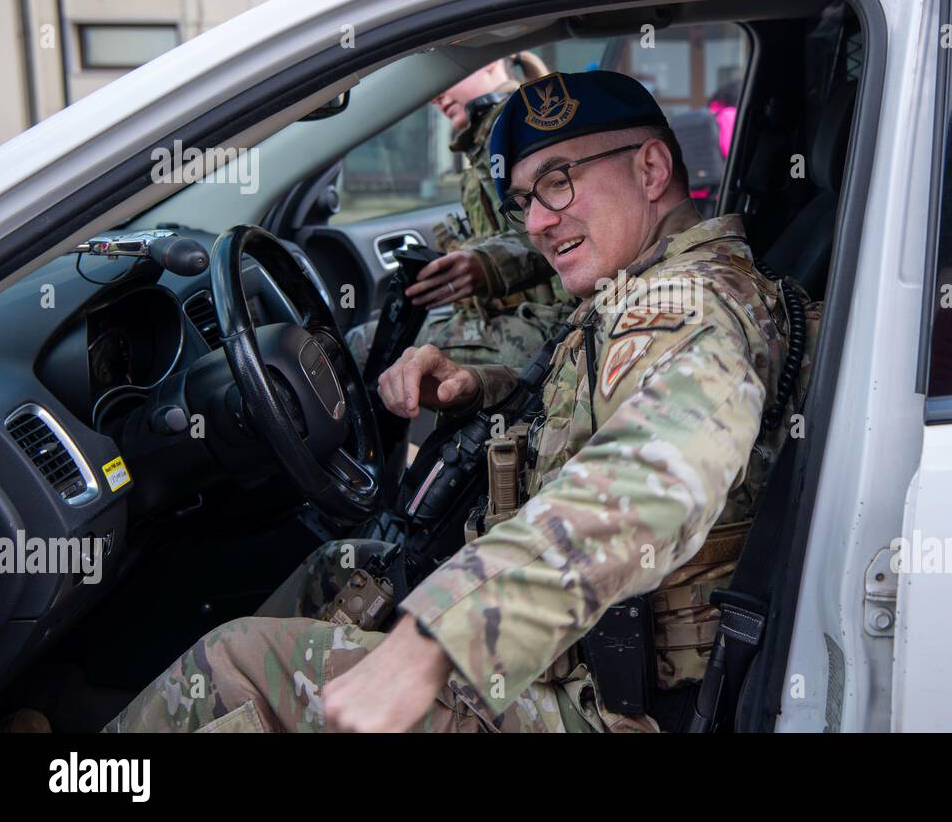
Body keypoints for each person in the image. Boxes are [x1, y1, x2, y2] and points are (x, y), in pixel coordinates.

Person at [106, 70, 817, 733]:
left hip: (605, 705)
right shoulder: (651, 282)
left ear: (652, 169)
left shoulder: (685, 303)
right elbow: (605, 413)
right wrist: (483, 386)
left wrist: (436, 639)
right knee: (345, 567)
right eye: (525, 202)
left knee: (236, 664)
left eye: (559, 183)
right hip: (582, 649)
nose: (538, 223)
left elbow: (655, 480)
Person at [346, 54, 574, 374]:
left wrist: (488, 263)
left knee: (363, 345)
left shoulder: (521, 128)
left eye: (446, 76)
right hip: (522, 314)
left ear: (493, 60)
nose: (436, 95)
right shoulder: (490, 133)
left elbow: (564, 222)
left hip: (556, 322)